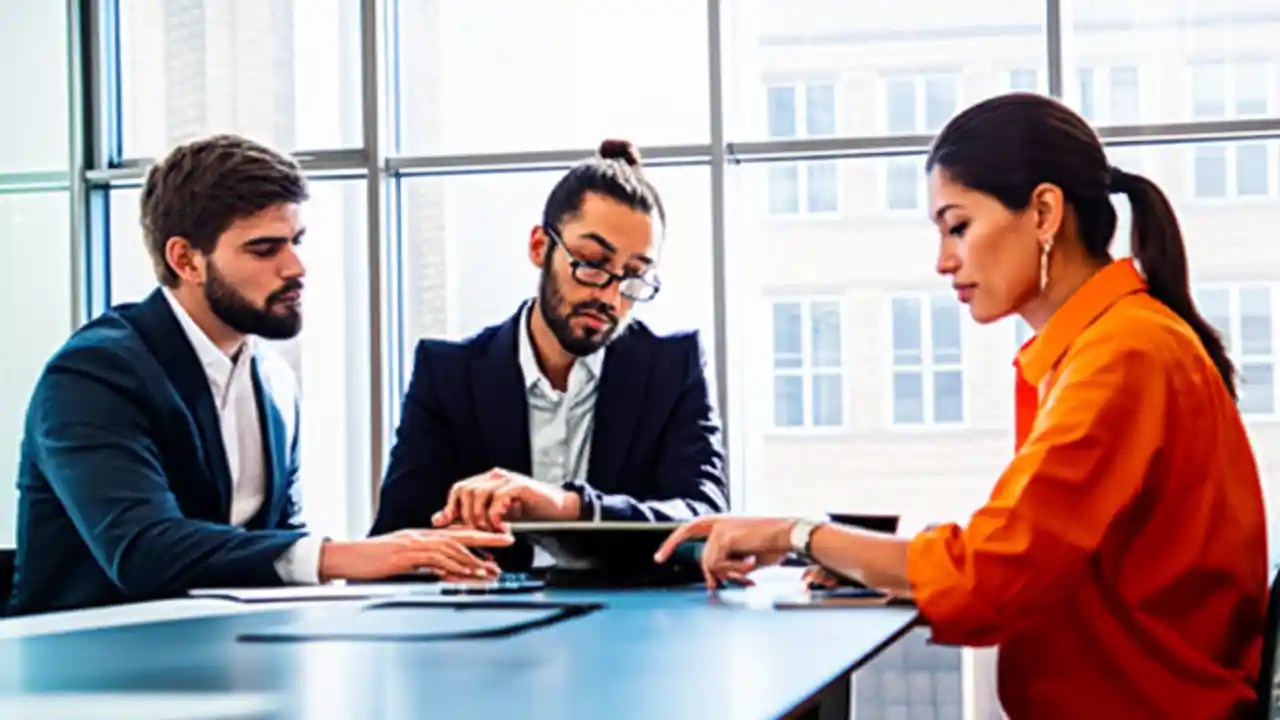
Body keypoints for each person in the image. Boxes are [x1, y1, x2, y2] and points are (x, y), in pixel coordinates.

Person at [655, 94, 1267, 717]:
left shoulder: (1122, 355)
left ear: (1044, 212)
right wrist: (857, 557)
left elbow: (988, 581)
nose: (944, 260)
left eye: (959, 226)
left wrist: (799, 534)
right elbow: (1016, 547)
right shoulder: (1107, 344)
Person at [8, 134, 510, 616]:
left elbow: (274, 542)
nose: (296, 267)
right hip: (90, 678)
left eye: (296, 241)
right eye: (265, 249)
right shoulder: (94, 375)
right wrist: (346, 556)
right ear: (186, 260)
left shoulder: (271, 381)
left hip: (225, 660)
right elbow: (144, 551)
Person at [372, 139, 729, 569]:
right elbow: (393, 539)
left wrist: (568, 507)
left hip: (626, 622)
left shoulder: (673, 368)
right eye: (593, 263)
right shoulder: (448, 374)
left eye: (634, 277)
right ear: (540, 247)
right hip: (485, 623)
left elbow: (706, 519)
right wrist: (441, 548)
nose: (611, 299)